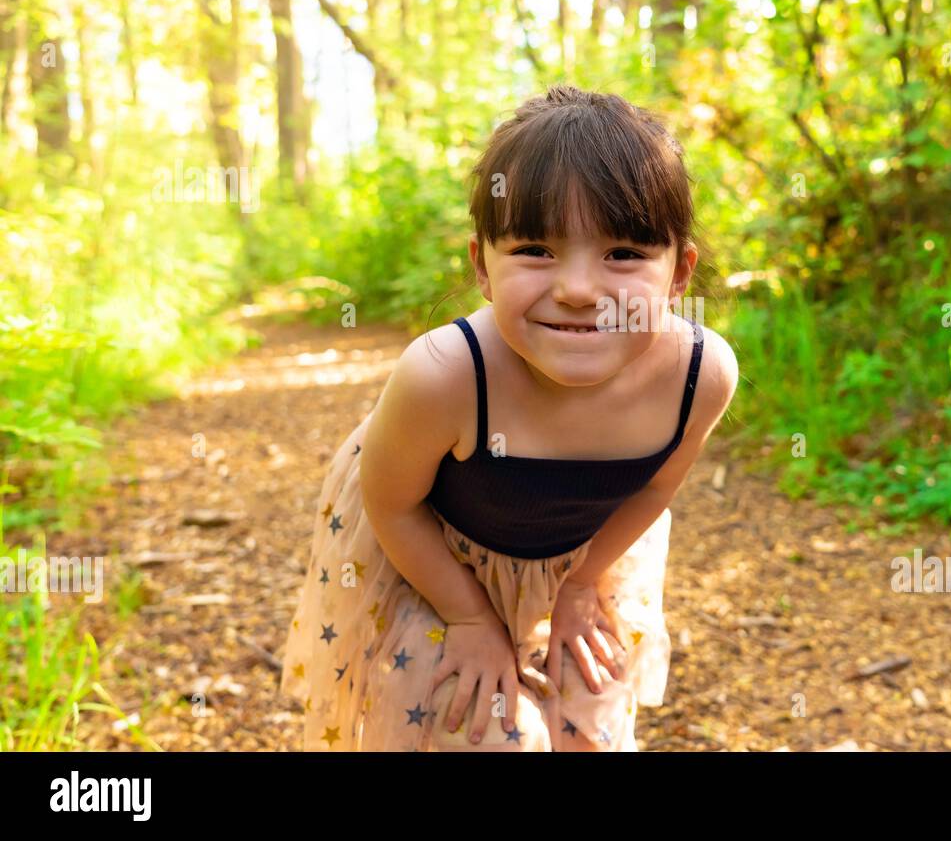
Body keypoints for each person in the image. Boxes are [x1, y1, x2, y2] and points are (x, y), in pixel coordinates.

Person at [279, 84, 739, 751]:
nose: (579, 289)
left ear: (679, 274)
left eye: (624, 254)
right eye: (536, 250)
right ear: (483, 267)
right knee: (490, 736)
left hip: (580, 558)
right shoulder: (445, 375)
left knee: (587, 733)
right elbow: (392, 505)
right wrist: (467, 617)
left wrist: (581, 586)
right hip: (432, 558)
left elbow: (654, 489)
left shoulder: (699, 376)